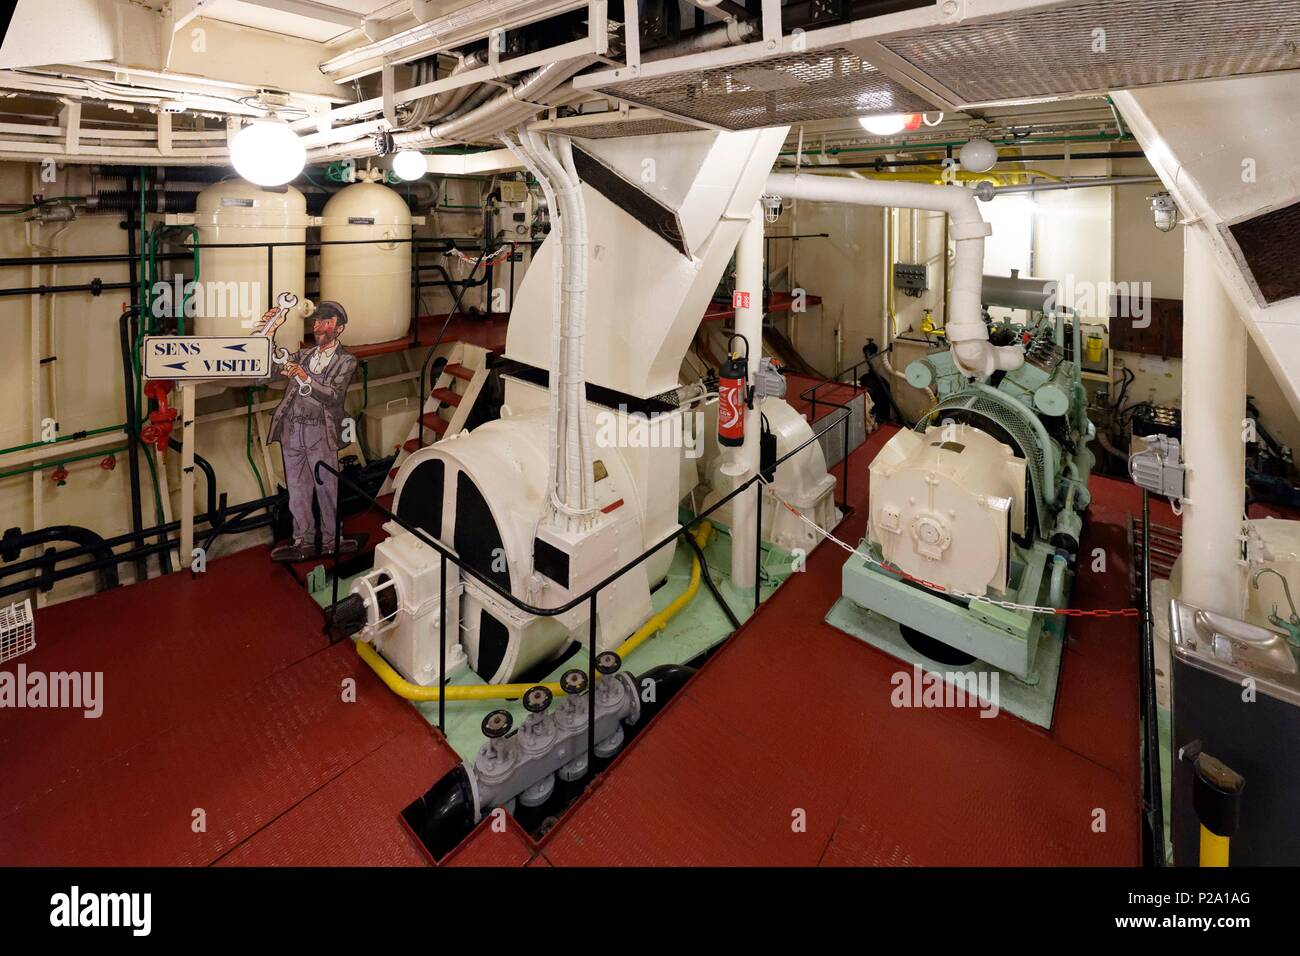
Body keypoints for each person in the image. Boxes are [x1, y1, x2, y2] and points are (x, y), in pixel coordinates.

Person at [268, 300, 358, 561]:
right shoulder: (304, 355)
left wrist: (305, 377)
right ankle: (303, 541)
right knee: (297, 488)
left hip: (320, 431)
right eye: (317, 321)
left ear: (338, 328)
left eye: (326, 321)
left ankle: (332, 540)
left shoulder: (346, 361)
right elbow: (277, 365)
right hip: (292, 429)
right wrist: (270, 335)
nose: (319, 326)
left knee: (326, 487)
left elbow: (333, 396)